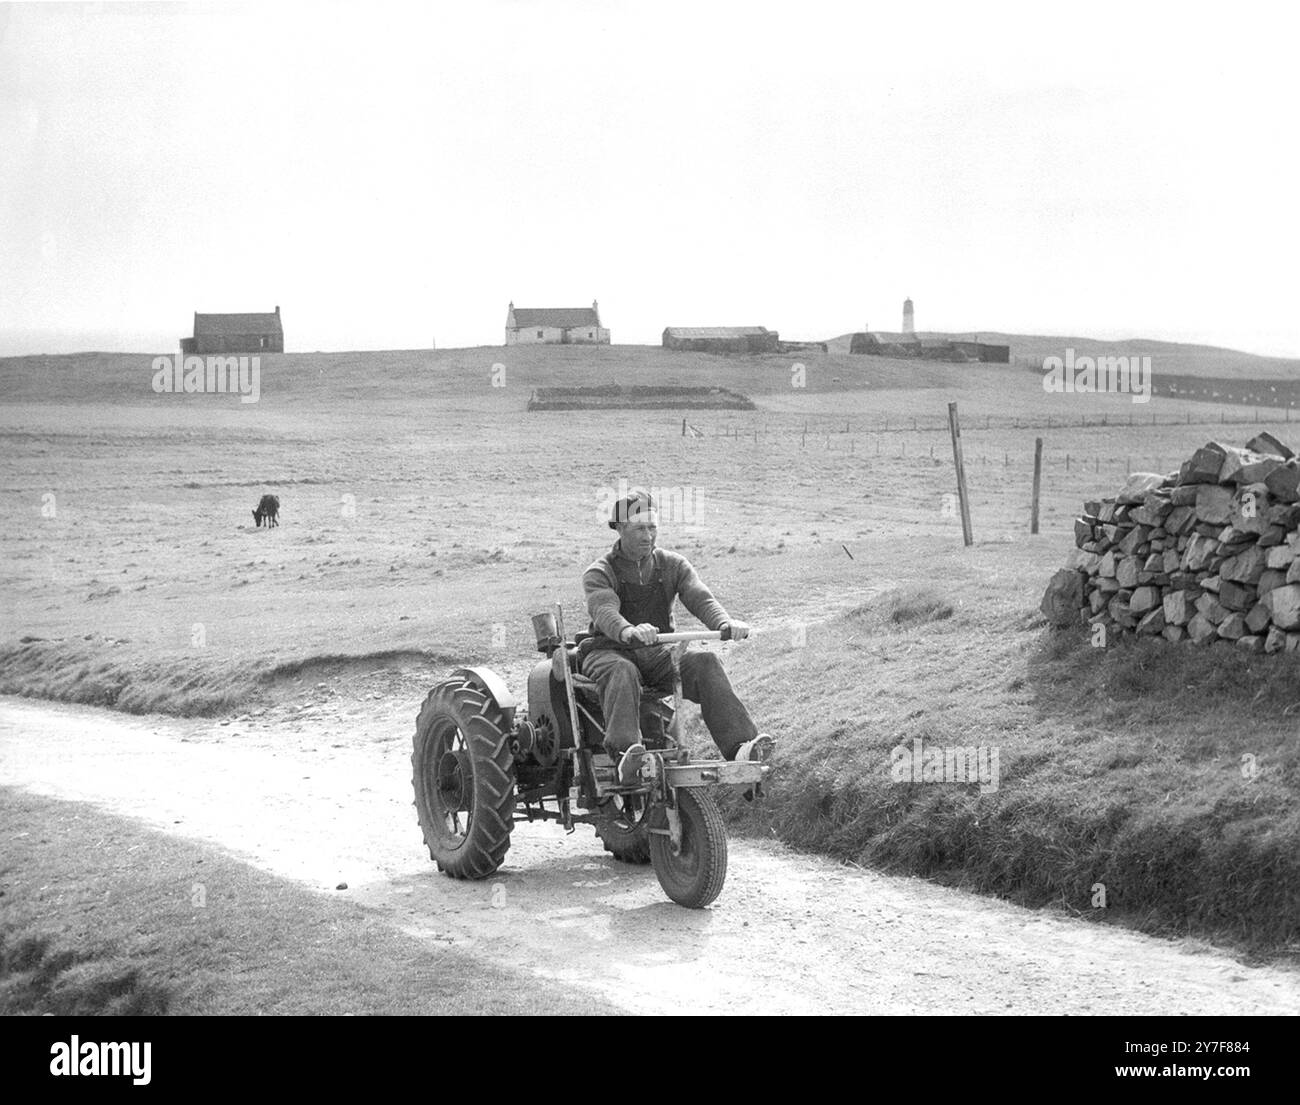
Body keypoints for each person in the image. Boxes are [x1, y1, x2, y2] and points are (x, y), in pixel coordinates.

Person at [580, 488, 774, 784]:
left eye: (652, 528)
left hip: (658, 655)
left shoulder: (673, 565)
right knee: (622, 670)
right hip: (608, 652)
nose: (648, 536)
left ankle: (741, 747)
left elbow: (699, 597)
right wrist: (628, 631)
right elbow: (605, 610)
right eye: (639, 529)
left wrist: (724, 623)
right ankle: (627, 756)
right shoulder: (600, 571)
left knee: (705, 662)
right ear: (619, 529)